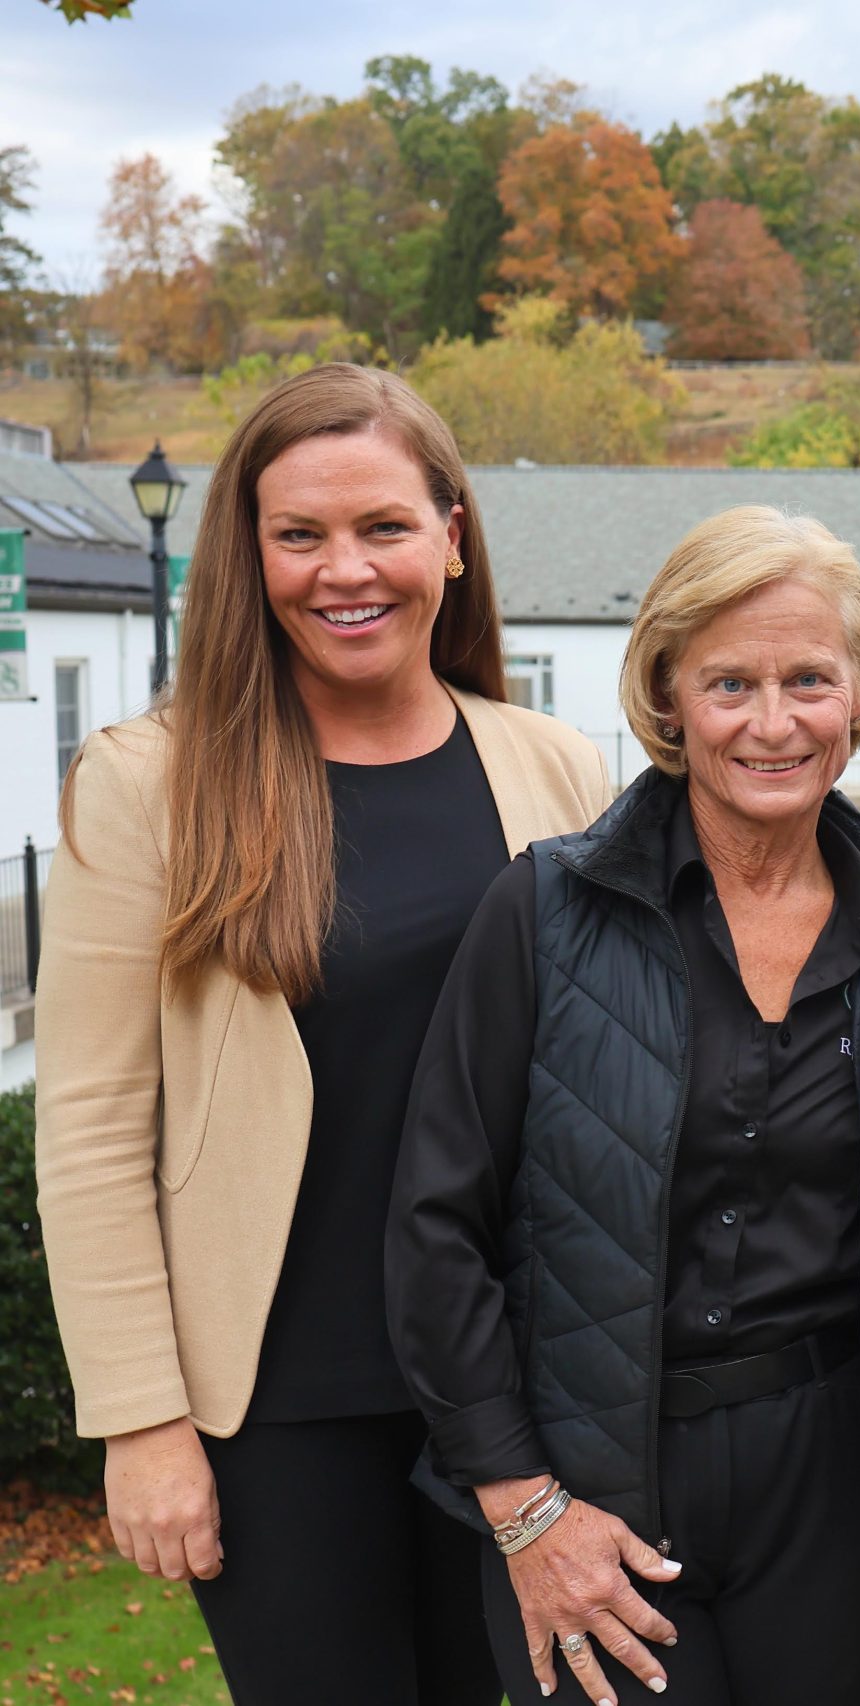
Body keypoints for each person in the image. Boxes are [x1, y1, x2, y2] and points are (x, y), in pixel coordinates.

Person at [31, 364, 612, 1706]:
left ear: (451, 538)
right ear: (250, 554)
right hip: (276, 1411)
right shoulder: (149, 782)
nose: (344, 569)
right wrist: (140, 1421)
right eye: (299, 534)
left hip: (511, 1391)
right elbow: (93, 1131)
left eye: (383, 527)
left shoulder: (551, 763)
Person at [384, 505, 860, 1705]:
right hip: (590, 1479)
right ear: (668, 696)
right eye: (729, 682)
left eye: (809, 679)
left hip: (828, 1491)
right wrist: (524, 1504)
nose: (772, 721)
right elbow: (436, 1230)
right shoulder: (543, 913)